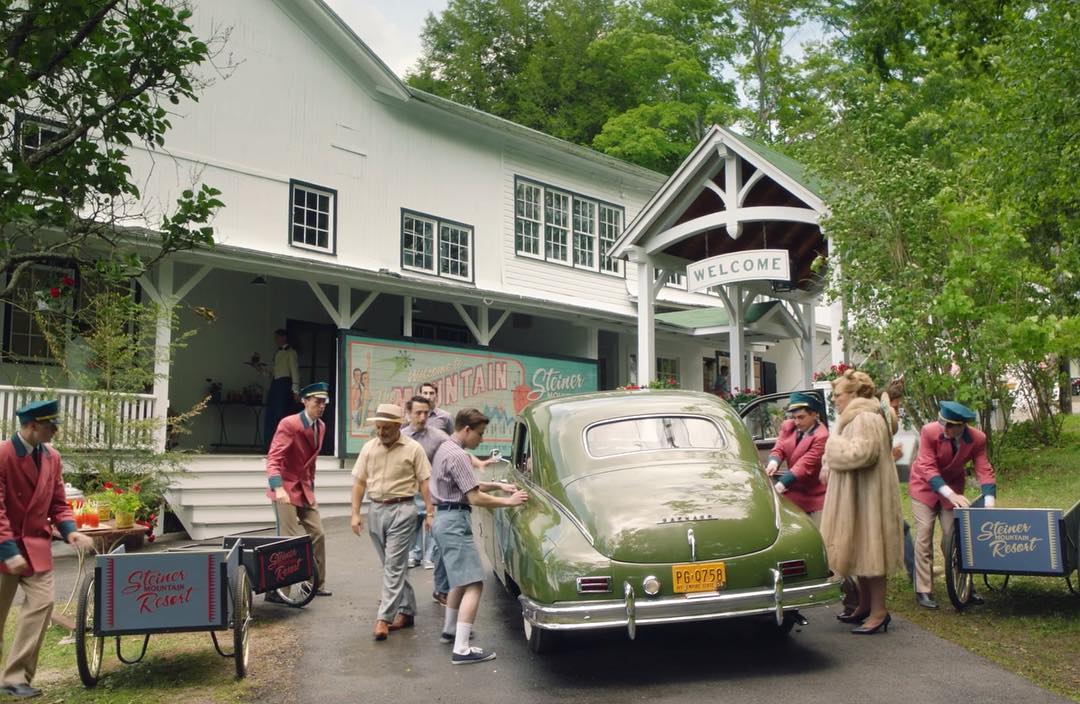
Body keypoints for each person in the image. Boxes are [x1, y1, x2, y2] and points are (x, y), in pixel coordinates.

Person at [0, 400, 93, 698]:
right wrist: (9, 552)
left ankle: (15, 678)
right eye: (51, 426)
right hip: (4, 547)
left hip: (36, 547)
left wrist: (70, 531)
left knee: (42, 604)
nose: (55, 430)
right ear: (32, 426)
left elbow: (58, 503)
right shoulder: (2, 455)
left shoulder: (52, 457)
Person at [430, 408, 527, 664]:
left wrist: (498, 485)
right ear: (467, 430)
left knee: (459, 580)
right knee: (474, 583)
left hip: (443, 519)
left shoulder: (445, 449)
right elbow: (474, 496)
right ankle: (462, 649)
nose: (481, 439)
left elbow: (466, 483)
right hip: (454, 521)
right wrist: (509, 501)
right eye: (480, 434)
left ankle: (450, 630)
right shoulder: (460, 455)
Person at [819, 370, 905, 635]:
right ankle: (866, 605)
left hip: (869, 498)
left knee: (872, 553)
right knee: (861, 551)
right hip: (860, 496)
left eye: (838, 395)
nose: (835, 400)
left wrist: (831, 447)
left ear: (854, 394)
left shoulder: (865, 417)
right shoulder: (857, 416)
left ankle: (879, 612)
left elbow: (863, 453)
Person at [350, 403, 433, 641]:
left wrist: (430, 512)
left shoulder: (413, 448)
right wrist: (355, 513)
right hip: (376, 509)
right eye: (378, 427)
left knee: (394, 565)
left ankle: (383, 618)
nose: (381, 432)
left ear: (398, 426)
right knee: (391, 565)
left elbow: (425, 481)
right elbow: (359, 482)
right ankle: (407, 611)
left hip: (403, 508)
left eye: (386, 427)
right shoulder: (369, 448)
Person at [908, 400, 997, 610]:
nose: (945, 428)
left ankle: (965, 585)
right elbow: (927, 468)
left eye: (950, 425)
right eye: (943, 423)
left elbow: (984, 469)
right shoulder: (929, 431)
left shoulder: (977, 439)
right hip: (924, 486)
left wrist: (989, 502)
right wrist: (950, 494)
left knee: (954, 537)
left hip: (953, 488)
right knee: (925, 533)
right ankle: (923, 589)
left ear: (962, 425)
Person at [265, 382, 332, 600]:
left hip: (304, 488)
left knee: (318, 533)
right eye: (317, 402)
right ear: (305, 401)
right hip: (285, 486)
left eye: (324, 402)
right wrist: (277, 488)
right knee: (288, 539)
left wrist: (310, 487)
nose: (321, 406)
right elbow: (274, 457)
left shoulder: (321, 426)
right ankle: (279, 591)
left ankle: (314, 585)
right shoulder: (290, 423)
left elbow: (310, 463)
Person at [765, 391, 828, 525]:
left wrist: (778, 487)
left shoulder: (822, 436)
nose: (797, 422)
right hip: (792, 492)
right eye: (794, 417)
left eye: (801, 417)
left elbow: (804, 466)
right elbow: (779, 447)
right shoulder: (789, 426)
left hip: (812, 497)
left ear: (814, 414)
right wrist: (773, 463)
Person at [401, 395, 449, 571]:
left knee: (431, 522)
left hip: (431, 487)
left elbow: (454, 451)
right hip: (409, 488)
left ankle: (430, 556)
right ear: (409, 413)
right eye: (418, 413)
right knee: (412, 522)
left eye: (426, 413)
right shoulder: (401, 436)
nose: (422, 417)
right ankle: (414, 554)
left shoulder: (438, 436)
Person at [264, 329, 301, 451]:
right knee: (271, 414)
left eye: (277, 337)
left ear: (284, 337)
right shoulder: (277, 352)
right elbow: (274, 372)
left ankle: (282, 445)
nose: (276, 340)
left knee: (281, 414)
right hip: (275, 384)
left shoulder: (291, 352)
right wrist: (260, 369)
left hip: (284, 384)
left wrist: (296, 390)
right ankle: (269, 445)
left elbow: (294, 371)